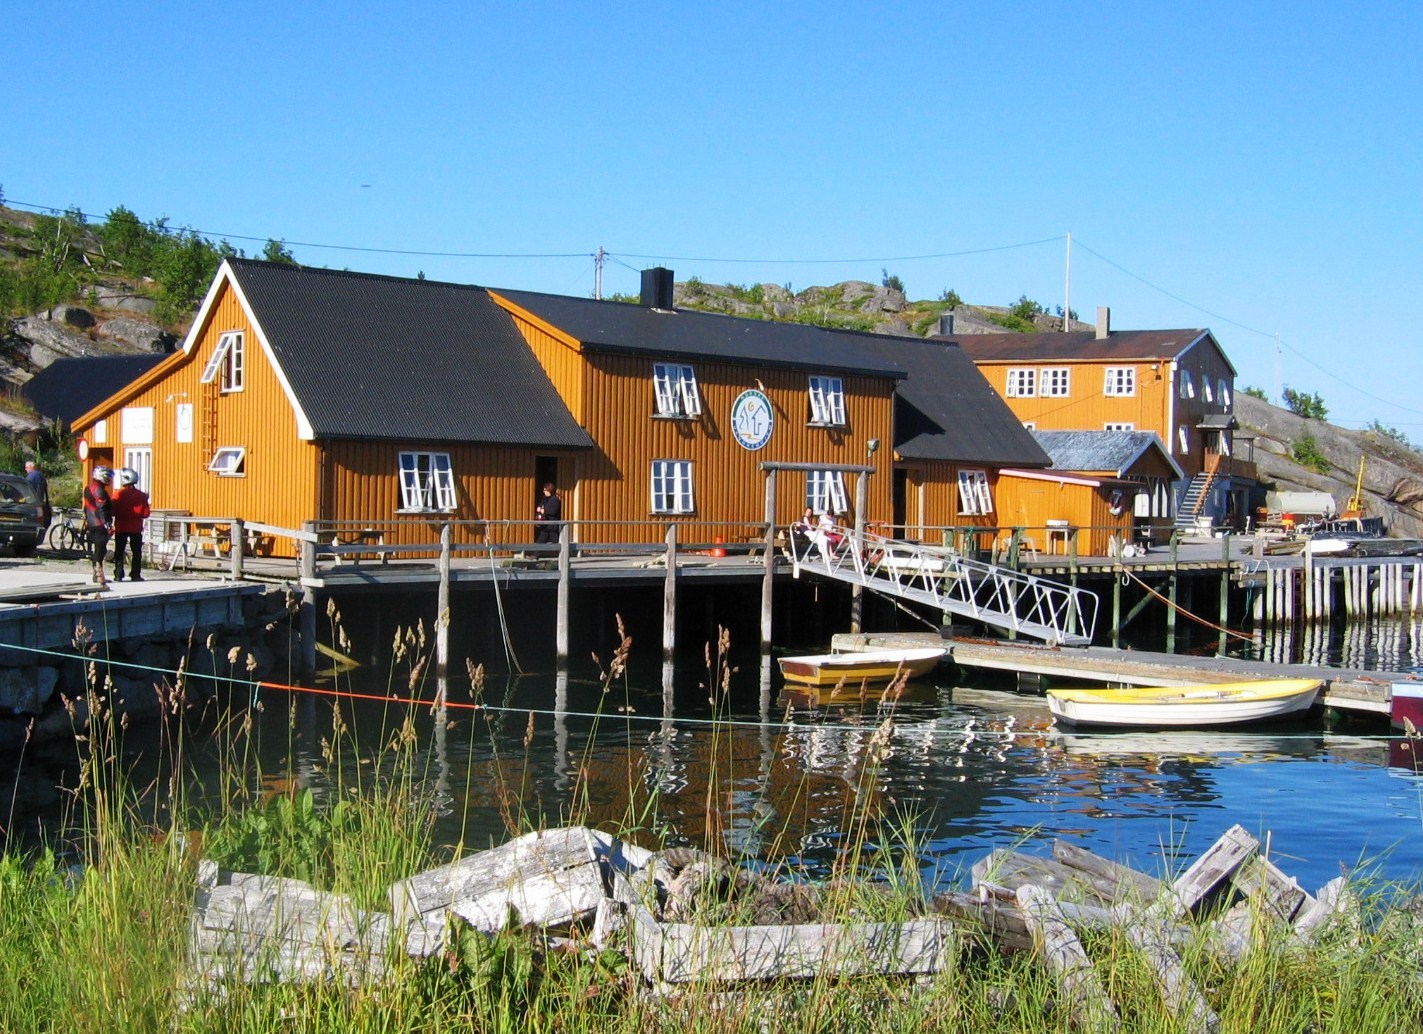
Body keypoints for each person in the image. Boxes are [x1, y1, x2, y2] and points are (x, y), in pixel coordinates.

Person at [110, 468, 152, 582]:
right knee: (137, 552)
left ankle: (118, 574)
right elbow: (145, 514)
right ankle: (135, 574)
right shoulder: (142, 496)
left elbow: (112, 511)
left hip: (121, 527)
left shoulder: (117, 494)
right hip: (136, 528)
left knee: (119, 551)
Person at [82, 465, 114, 586]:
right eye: (107, 477)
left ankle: (97, 573)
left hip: (91, 522)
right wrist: (107, 525)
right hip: (99, 523)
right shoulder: (99, 490)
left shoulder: (88, 488)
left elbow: (88, 507)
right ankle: (98, 574)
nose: (109, 480)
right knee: (100, 549)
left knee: (98, 549)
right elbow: (101, 509)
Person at [24, 460, 51, 530]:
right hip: (40, 504)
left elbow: (25, 491)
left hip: (30, 504)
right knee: (39, 523)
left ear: (31, 467)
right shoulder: (41, 476)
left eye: (26, 467)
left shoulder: (30, 477)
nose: (25, 469)